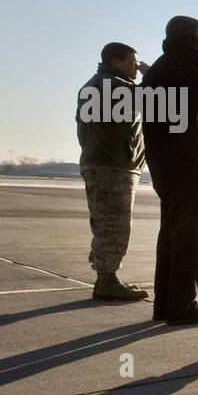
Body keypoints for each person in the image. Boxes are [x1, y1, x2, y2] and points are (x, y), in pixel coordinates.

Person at [141, 15, 198, 325]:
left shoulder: (157, 71)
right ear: (194, 38)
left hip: (164, 166)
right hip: (192, 167)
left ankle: (165, 303)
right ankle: (182, 305)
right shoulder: (195, 68)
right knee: (193, 238)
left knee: (172, 236)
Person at [76, 42, 149, 301]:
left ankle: (104, 276)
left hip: (99, 161)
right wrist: (153, 76)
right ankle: (107, 280)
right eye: (132, 63)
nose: (137, 69)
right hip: (113, 165)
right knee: (115, 225)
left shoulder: (93, 85)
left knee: (104, 222)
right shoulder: (114, 86)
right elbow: (159, 103)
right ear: (116, 62)